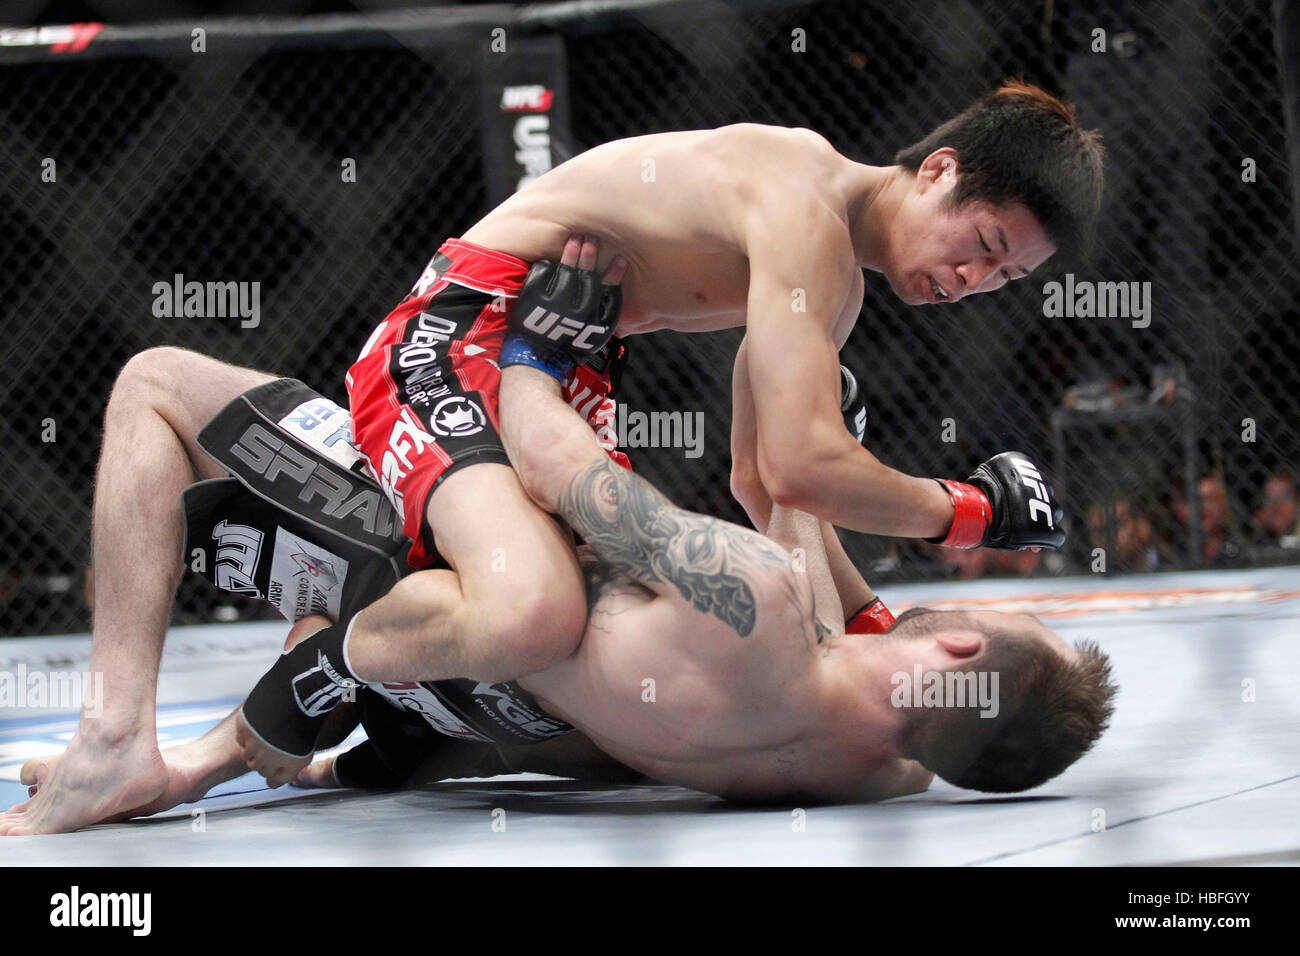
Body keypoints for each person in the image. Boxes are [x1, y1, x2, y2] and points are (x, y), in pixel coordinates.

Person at [6, 75, 1101, 831]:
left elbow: (770, 481)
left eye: (1001, 281)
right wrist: (973, 511)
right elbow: (812, 468)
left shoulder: (835, 292)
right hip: (471, 336)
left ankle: (275, 684)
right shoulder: (799, 195)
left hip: (560, 365)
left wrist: (895, 605)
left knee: (563, 627)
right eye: (982, 245)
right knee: (532, 610)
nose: (969, 281)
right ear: (937, 170)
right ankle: (132, 725)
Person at [232, 357, 1116, 803]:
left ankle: (322, 666)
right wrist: (808, 420)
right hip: (480, 735)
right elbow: (808, 575)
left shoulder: (763, 601)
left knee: (163, 385)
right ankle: (309, 691)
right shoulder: (880, 774)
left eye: (997, 615)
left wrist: (548, 350)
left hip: (433, 597)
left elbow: (549, 455)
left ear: (960, 644)